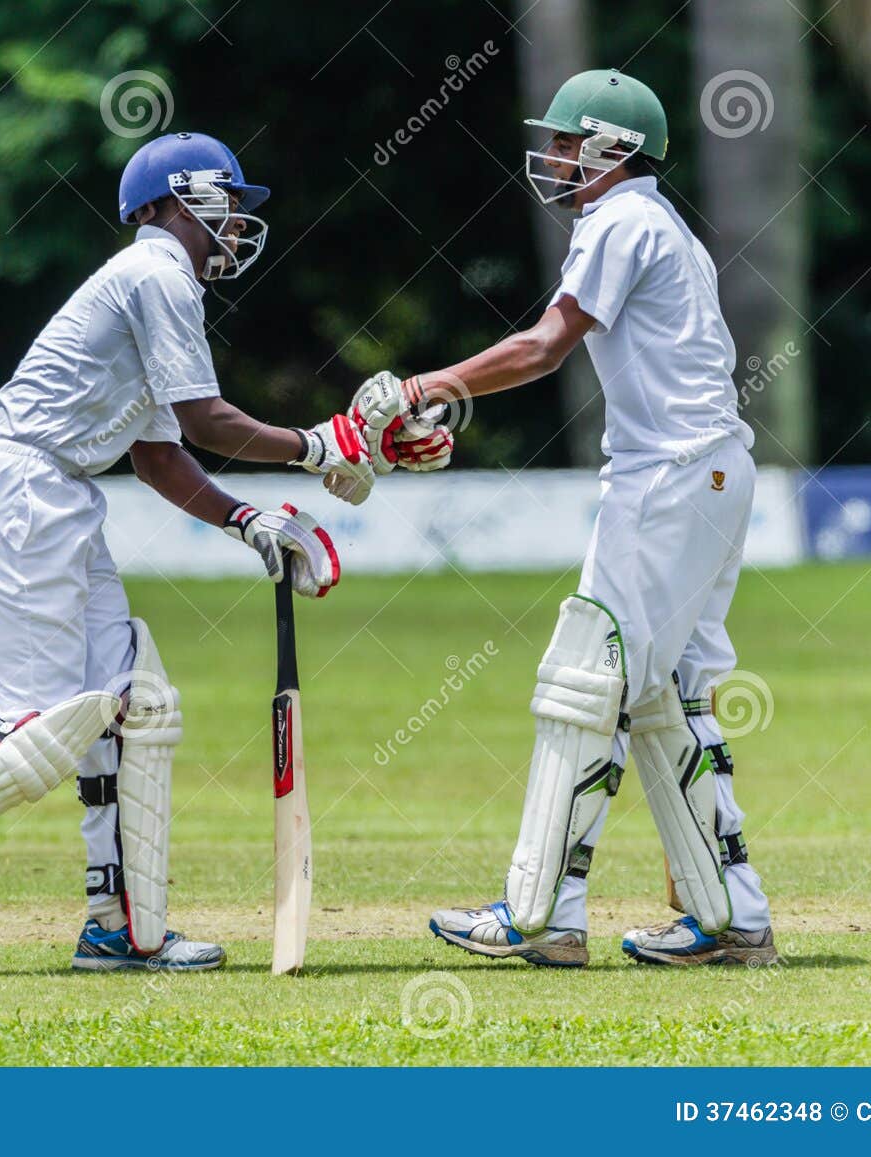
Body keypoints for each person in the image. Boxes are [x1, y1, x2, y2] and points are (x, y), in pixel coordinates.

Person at [0, 131, 374, 972]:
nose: (240, 221)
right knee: (38, 727)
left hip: (54, 493)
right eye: (231, 202)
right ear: (182, 200)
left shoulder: (154, 284)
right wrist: (319, 447)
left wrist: (247, 522)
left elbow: (160, 454)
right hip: (23, 487)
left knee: (134, 701)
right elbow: (209, 420)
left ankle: (122, 927)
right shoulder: (158, 273)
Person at [350, 70, 776, 967]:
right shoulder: (666, 227)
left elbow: (545, 347)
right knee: (668, 690)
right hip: (712, 474)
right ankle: (732, 916)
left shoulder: (618, 219)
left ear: (611, 150)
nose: (551, 157)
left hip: (666, 479)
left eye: (566, 142)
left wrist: (426, 385)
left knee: (588, 677)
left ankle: (533, 911)